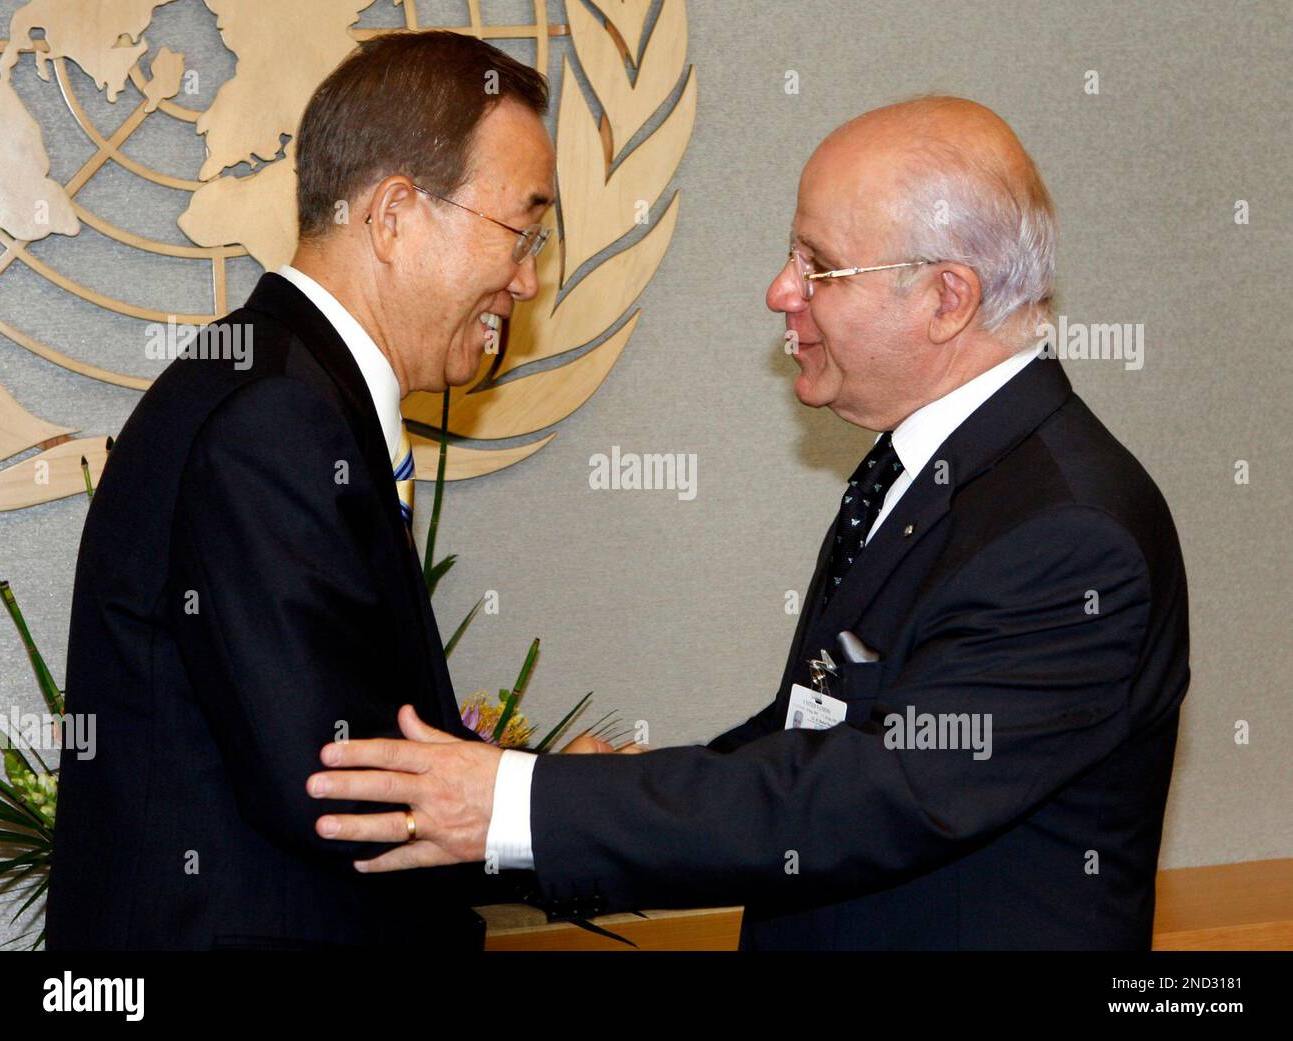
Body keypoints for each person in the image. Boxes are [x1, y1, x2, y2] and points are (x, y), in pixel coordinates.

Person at [308, 97, 1191, 951]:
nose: (781, 291)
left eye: (819, 266)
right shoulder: (926, 474)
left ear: (947, 299)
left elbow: (863, 794)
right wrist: (577, 795)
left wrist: (520, 803)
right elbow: (813, 732)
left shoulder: (1071, 537)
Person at [47, 30, 557, 950]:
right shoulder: (276, 415)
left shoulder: (278, 383)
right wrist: (558, 807)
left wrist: (540, 788)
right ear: (396, 213)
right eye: (521, 229)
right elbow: (332, 783)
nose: (526, 277)